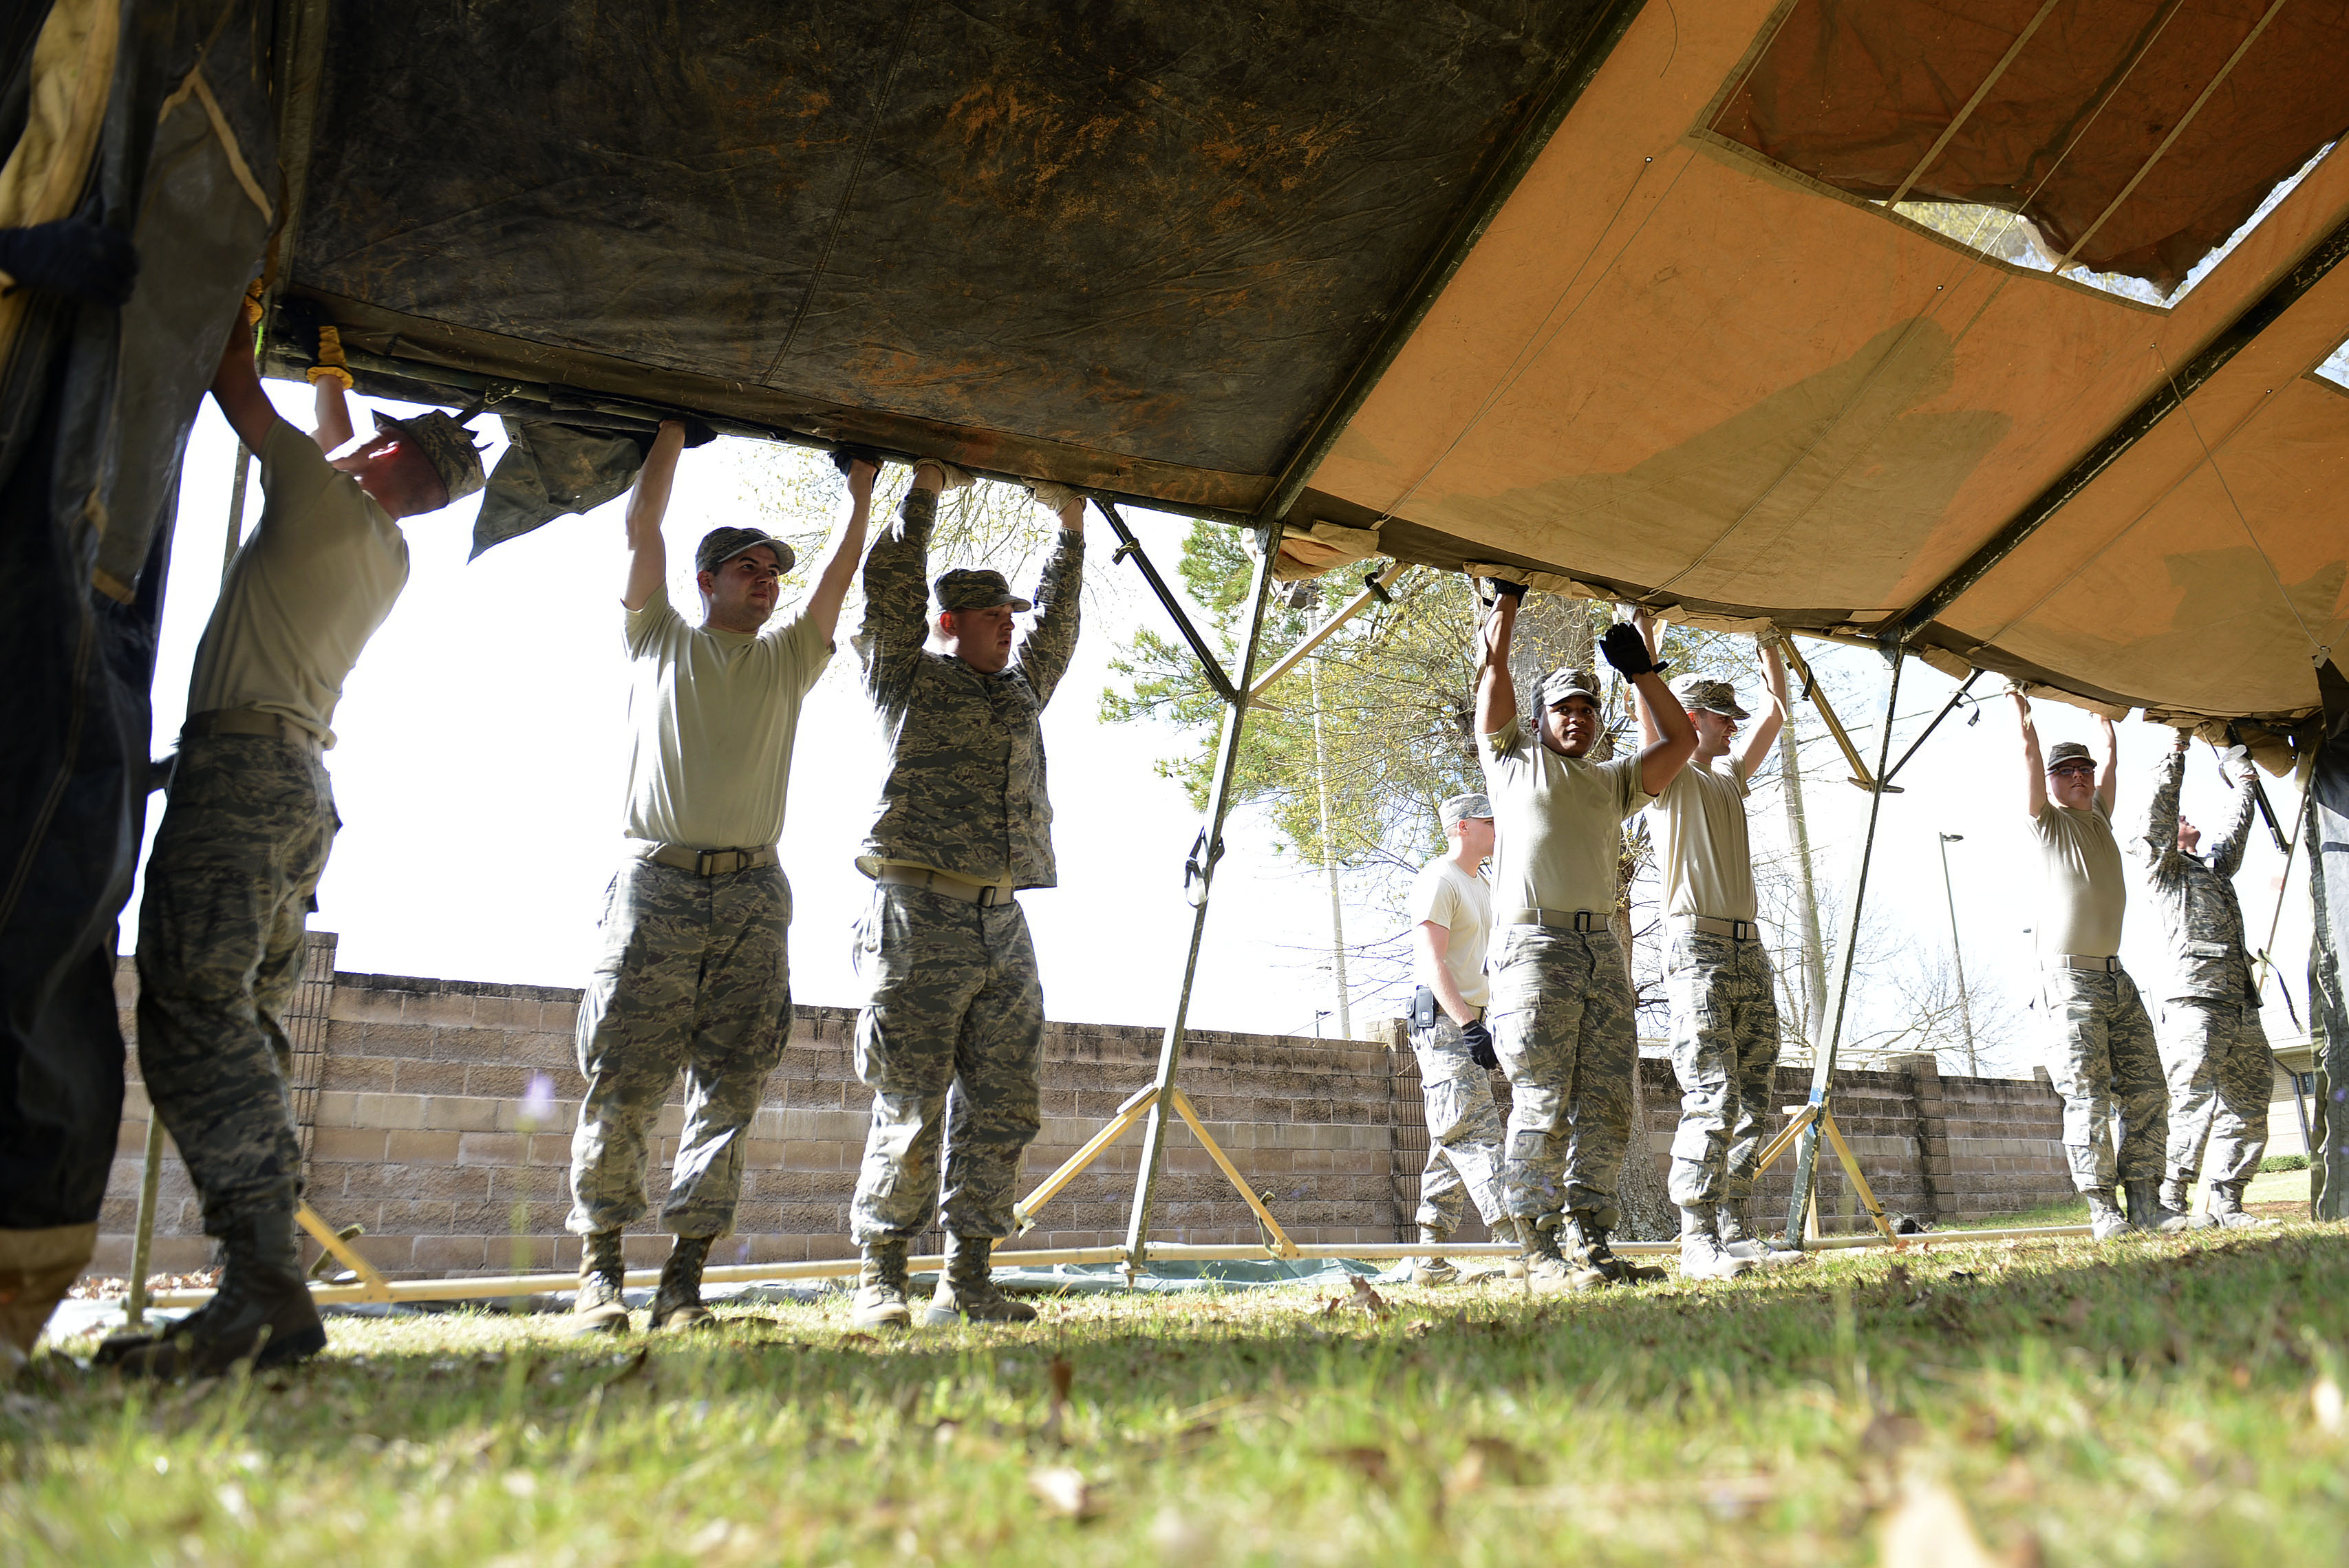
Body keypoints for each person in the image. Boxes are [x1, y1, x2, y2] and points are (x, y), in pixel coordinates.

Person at [103, 305, 484, 1376]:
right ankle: (262, 1279)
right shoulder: (382, 547)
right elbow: (328, 440)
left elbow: (234, 384)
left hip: (239, 780)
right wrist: (332, 373)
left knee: (194, 1008)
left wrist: (238, 293)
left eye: (369, 432)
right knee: (252, 1022)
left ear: (389, 453)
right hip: (296, 785)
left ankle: (262, 1281)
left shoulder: (326, 496)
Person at [565, 432, 872, 1333]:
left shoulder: (786, 660)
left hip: (751, 894)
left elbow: (837, 583)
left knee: (730, 1088)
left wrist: (860, 495)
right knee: (625, 1080)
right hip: (653, 883)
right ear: (706, 581)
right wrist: (671, 433)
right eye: (746, 567)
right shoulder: (655, 635)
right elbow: (641, 525)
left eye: (773, 570)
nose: (766, 580)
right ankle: (599, 1276)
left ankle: (683, 1283)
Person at [846, 461, 1085, 1329]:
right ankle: (881, 1273)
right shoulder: (906, 678)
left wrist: (1070, 534)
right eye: (992, 618)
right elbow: (890, 594)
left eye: (1009, 617)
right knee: (910, 1097)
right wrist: (920, 499)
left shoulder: (1021, 690)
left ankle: (968, 1277)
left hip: (1000, 916)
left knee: (1004, 1099)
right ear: (952, 622)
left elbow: (1059, 628)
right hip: (917, 912)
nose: (1008, 632)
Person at [1474, 585, 1696, 1291]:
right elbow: (1493, 682)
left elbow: (1682, 741)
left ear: (1600, 722)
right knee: (1540, 1097)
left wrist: (1642, 673)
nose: (1576, 717)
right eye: (1563, 708)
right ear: (1540, 721)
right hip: (1534, 950)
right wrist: (1502, 612)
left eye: (1587, 708)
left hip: (1601, 953)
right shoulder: (1512, 763)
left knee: (1605, 1101)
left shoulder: (1614, 781)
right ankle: (1535, 1247)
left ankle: (1591, 1239)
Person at [1633, 622, 1801, 1278]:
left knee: (1754, 1091)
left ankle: (1732, 1221)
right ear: (1693, 718)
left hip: (1747, 948)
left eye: (1735, 719)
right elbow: (1646, 713)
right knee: (1713, 1089)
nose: (1733, 728)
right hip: (1696, 944)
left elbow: (1778, 715)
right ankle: (1696, 1232)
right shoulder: (1668, 774)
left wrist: (1771, 648)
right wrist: (1645, 633)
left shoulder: (1729, 778)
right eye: (1722, 718)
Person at [2009, 694, 2186, 1239]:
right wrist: (2021, 707)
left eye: (2083, 769)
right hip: (2069, 981)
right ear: (2055, 783)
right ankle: (2101, 1209)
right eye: (2067, 772)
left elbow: (2112, 756)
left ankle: (2146, 1202)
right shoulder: (2048, 821)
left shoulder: (2102, 816)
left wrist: (2104, 724)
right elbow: (2029, 758)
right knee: (2086, 1095)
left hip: (2116, 978)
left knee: (2149, 1089)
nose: (2079, 777)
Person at [2135, 729, 2276, 1229]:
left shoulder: (2213, 869)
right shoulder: (2163, 868)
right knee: (2191, 1096)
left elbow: (2236, 830)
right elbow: (2158, 810)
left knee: (2250, 1096)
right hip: (2195, 998)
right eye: (2180, 818)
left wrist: (2246, 782)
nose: (2186, 818)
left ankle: (2227, 1200)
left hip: (2239, 1001)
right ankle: (2170, 1199)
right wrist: (2178, 752)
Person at [1404, 793, 1510, 1285]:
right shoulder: (1439, 879)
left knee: (1452, 1135)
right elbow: (1432, 962)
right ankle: (1518, 1244)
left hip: (1469, 1018)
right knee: (1476, 1131)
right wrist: (1468, 1024)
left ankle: (1430, 1259)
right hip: (1445, 1023)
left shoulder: (1480, 883)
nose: (1497, 827)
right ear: (1463, 827)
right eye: (1490, 821)